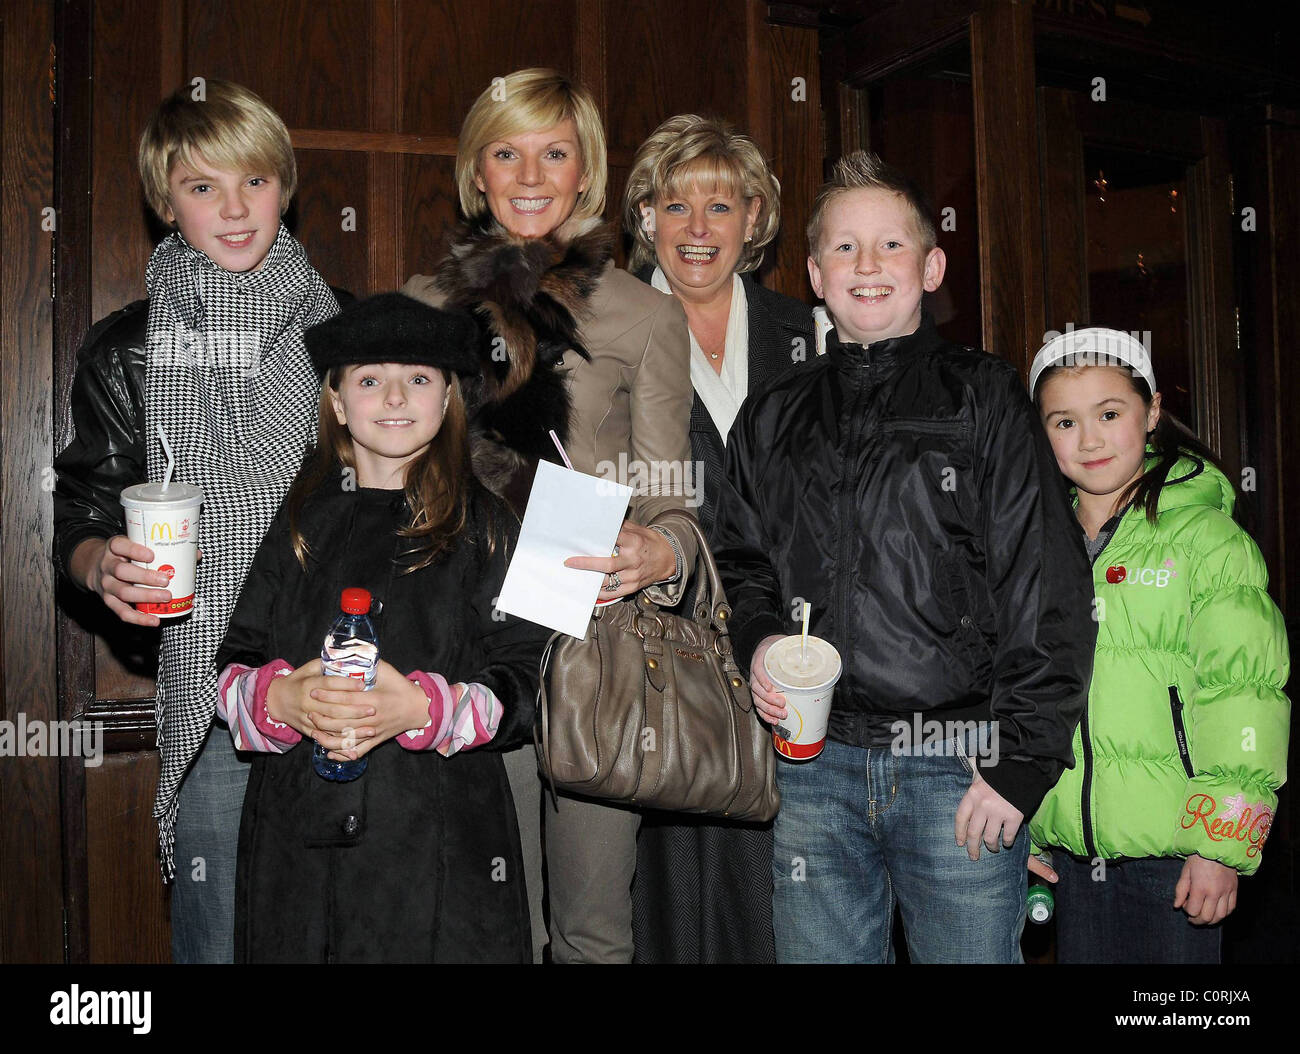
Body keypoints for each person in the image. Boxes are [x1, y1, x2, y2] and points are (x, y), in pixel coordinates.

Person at [710, 150, 1096, 963]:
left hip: (956, 768)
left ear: (932, 265)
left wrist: (1023, 761)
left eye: (891, 246)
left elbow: (1047, 584)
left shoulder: (986, 395)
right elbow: (738, 562)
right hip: (811, 769)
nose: (868, 266)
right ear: (816, 273)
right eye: (845, 248)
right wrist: (762, 641)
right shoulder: (771, 414)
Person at [401, 68, 697, 963]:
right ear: (477, 172)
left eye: (555, 152)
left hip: (590, 650)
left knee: (590, 931)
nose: (531, 175)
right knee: (485, 927)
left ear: (585, 173)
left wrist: (660, 551)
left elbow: (674, 493)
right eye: (507, 152)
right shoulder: (419, 308)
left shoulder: (644, 315)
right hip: (457, 646)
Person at [51, 80, 340, 963]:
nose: (234, 208)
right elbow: (84, 510)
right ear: (164, 201)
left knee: (338, 931)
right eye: (202, 186)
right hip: (213, 690)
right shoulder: (126, 347)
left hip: (342, 675)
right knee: (219, 943)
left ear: (285, 187)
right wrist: (102, 564)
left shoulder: (350, 334)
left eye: (253, 181)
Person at [212, 293, 548, 962]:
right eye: (369, 379)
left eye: (419, 378)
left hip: (440, 852)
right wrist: (275, 700)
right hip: (298, 853)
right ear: (337, 402)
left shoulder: (489, 524)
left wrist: (429, 708)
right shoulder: (300, 522)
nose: (395, 396)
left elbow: (530, 680)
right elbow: (234, 660)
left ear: (449, 395)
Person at [1026, 327, 1290, 964]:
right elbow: (1017, 690)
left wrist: (1220, 842)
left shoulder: (1207, 539)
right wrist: (1025, 818)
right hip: (1068, 854)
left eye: (1109, 414)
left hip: (1177, 851)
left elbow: (1245, 694)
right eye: (1064, 421)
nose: (1089, 440)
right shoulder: (1032, 541)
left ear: (1152, 413)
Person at [622, 114, 815, 963]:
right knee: (679, 906)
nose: (698, 230)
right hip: (668, 655)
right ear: (644, 220)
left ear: (756, 219)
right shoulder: (606, 331)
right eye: (674, 206)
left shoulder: (814, 334)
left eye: (721, 206)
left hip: (801, 654)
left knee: (800, 900)